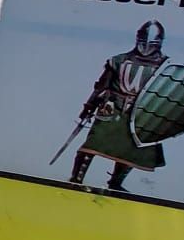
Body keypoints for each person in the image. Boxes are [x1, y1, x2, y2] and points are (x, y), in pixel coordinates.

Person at [69, 21, 169, 192]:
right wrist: (89, 106)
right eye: (143, 41)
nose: (146, 47)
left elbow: (167, 94)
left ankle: (115, 182)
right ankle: (76, 178)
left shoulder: (165, 66)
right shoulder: (119, 61)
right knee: (94, 143)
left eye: (151, 43)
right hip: (113, 107)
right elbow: (102, 86)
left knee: (131, 151)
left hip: (142, 114)